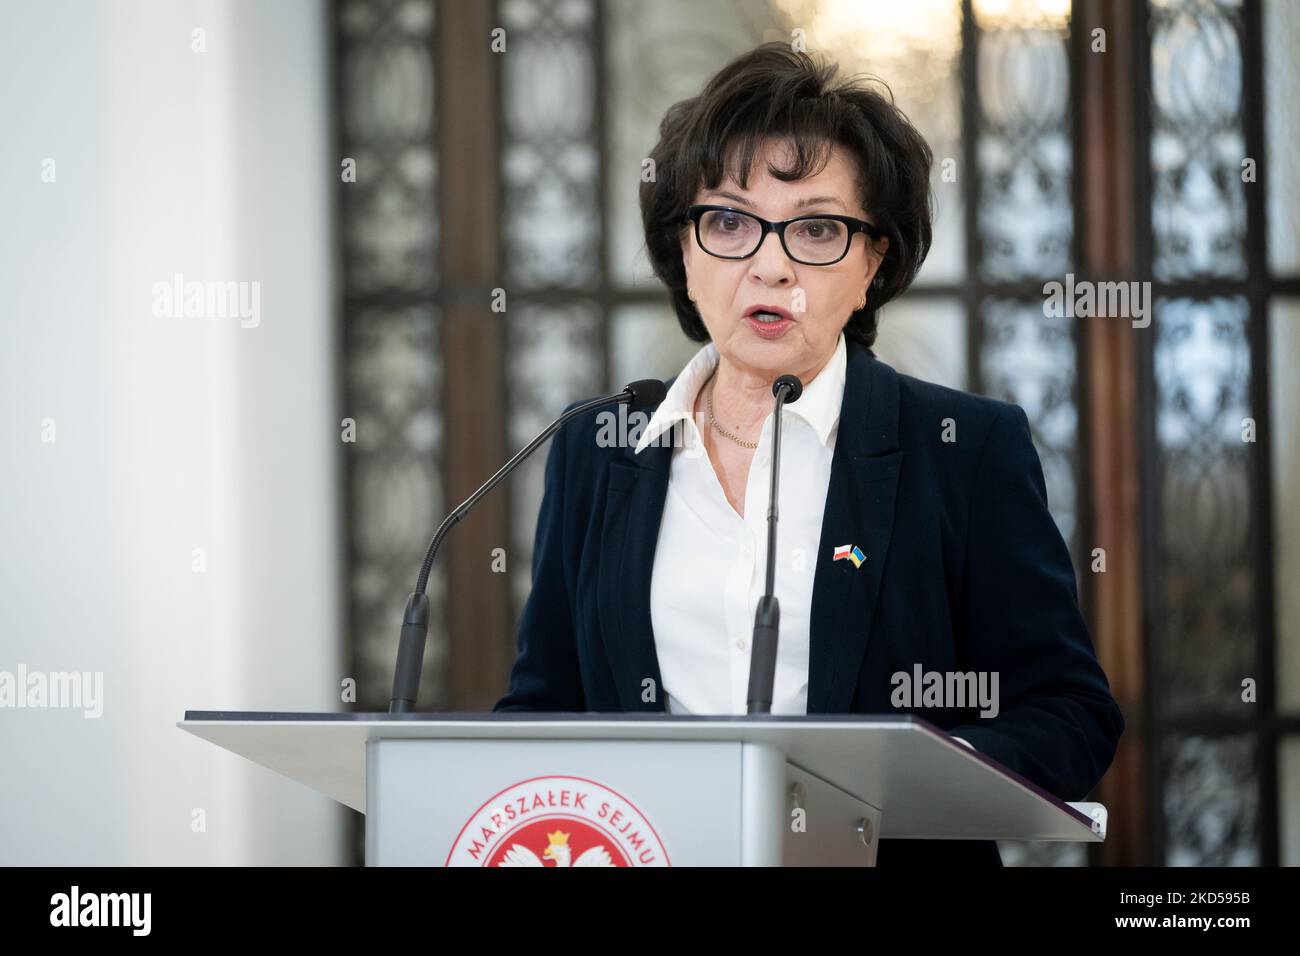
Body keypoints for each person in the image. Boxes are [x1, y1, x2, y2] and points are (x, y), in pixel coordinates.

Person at [494, 42, 1124, 867]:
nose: (771, 264)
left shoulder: (965, 452)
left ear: (874, 263)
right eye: (727, 221)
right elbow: (546, 710)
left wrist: (910, 780)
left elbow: (1070, 712)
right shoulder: (596, 449)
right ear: (682, 252)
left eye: (818, 229)